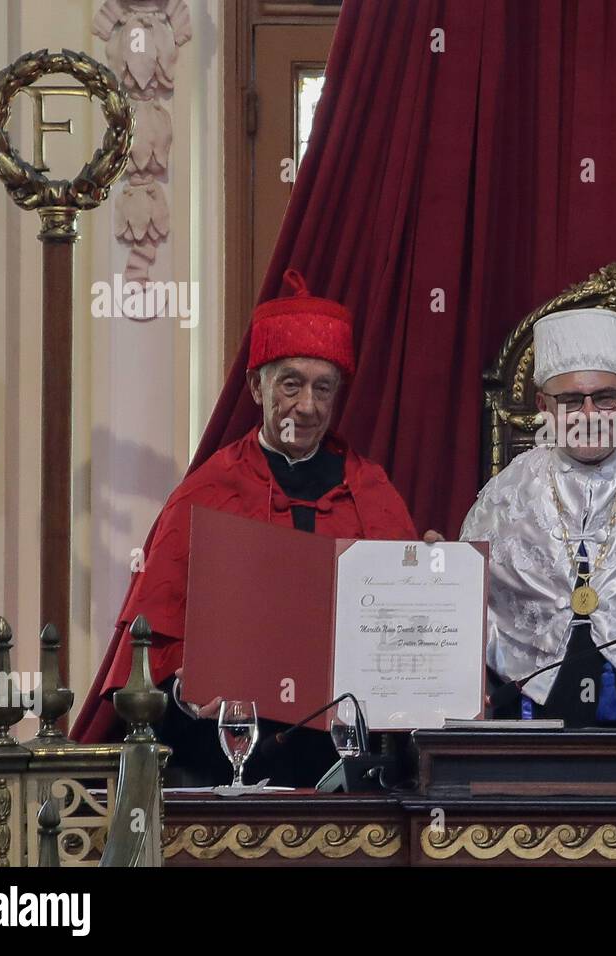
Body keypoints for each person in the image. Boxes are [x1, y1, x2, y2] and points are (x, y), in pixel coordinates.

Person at [71, 269, 418, 784]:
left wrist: (431, 575)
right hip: (233, 758)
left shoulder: (373, 492)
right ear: (256, 386)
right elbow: (148, 667)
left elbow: (413, 637)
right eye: (291, 384)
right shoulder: (206, 493)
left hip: (350, 760)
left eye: (323, 388)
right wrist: (182, 691)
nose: (307, 406)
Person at [457, 308, 616, 726]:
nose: (589, 414)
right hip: (533, 705)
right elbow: (466, 605)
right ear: (543, 405)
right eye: (571, 399)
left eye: (605, 397)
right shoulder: (504, 495)